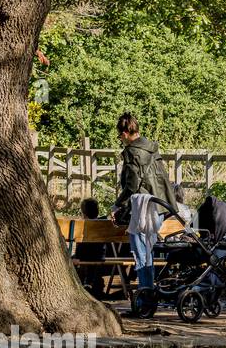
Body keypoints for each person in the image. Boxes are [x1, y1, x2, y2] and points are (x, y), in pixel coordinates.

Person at [110, 112, 176, 311]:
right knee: (149, 254)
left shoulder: (132, 152)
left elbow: (131, 185)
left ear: (124, 134)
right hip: (158, 207)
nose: (120, 140)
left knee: (141, 256)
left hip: (142, 210)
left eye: (120, 136)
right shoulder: (152, 149)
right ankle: (150, 297)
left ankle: (145, 301)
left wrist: (117, 205)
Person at [74, 198, 110, 301]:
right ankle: (89, 284)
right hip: (101, 255)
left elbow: (80, 246)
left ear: (83, 212)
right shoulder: (102, 224)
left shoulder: (83, 225)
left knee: (72, 260)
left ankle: (84, 285)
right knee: (92, 259)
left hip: (85, 256)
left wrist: (76, 257)